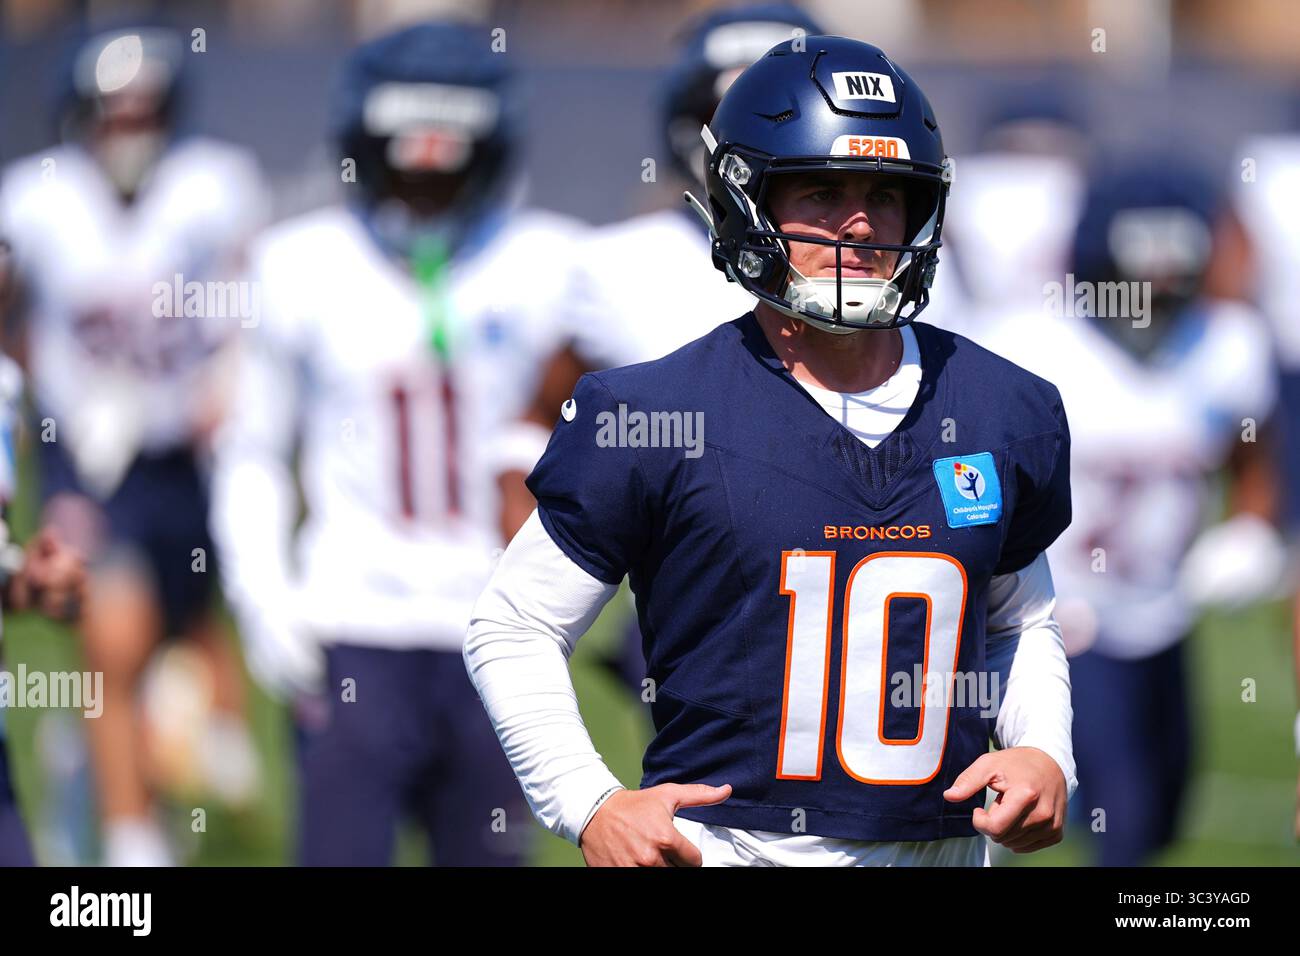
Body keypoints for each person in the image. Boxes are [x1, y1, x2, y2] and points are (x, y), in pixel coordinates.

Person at [466, 35, 1076, 867]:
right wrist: (590, 803)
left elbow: (1019, 622)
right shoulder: (655, 412)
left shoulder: (1000, 408)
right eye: (823, 192)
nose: (860, 224)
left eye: (885, 195)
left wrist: (1044, 748)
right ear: (744, 203)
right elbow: (513, 623)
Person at [211, 20, 578, 866]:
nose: (424, 195)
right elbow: (251, 451)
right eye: (404, 172)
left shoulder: (553, 265)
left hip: (500, 627)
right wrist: (263, 595)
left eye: (448, 175)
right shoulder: (299, 265)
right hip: (356, 623)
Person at [0, 23, 265, 866]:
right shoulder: (38, 202)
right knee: (113, 633)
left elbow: (246, 299)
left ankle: (94, 761)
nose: (131, 131)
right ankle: (127, 841)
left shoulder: (211, 186)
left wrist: (230, 379)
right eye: (114, 114)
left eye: (146, 112)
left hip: (181, 457)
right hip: (88, 457)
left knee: (190, 651)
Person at [979, 160, 1279, 865]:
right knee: (1127, 824)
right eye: (1137, 287)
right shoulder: (1034, 347)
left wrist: (1251, 526)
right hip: (1073, 617)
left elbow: (1256, 454)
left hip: (1166, 614)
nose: (1153, 306)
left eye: (1171, 291)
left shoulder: (1226, 346)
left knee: (1167, 810)